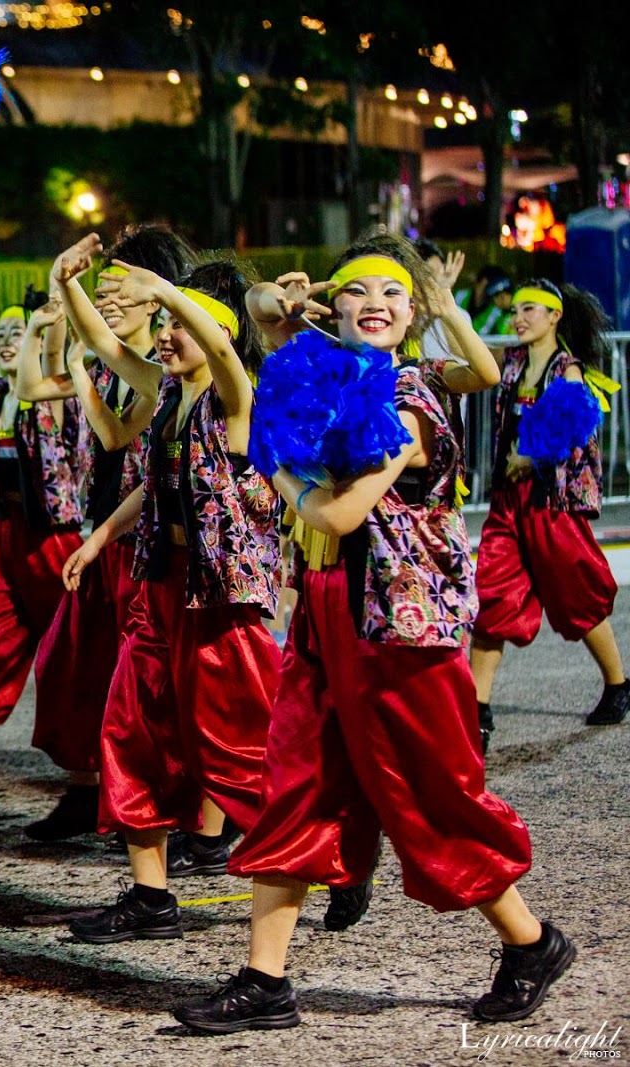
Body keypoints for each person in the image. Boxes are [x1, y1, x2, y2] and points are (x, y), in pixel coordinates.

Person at [175, 236, 572, 1034]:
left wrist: (268, 455)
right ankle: (265, 980)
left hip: (400, 631)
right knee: (296, 783)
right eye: (357, 292)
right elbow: (258, 318)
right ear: (337, 306)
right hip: (329, 612)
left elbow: (336, 512)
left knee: (431, 793)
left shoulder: (410, 403)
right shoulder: (334, 369)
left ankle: (531, 941)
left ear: (413, 313)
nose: (375, 303)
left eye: (391, 292)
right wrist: (279, 303)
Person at [59, 260, 281, 944]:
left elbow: (224, 352)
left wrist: (166, 293)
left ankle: (326, 844)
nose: (165, 337)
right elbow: (107, 348)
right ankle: (150, 896)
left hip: (218, 597)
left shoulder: (236, 398)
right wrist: (67, 285)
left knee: (243, 745)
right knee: (128, 728)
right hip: (160, 583)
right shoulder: (167, 394)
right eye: (163, 327)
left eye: (177, 326)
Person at [22, 225, 192, 843]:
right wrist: (60, 289)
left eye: (120, 290)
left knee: (141, 685)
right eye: (105, 289)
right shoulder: (116, 361)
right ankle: (88, 789)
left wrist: (80, 374)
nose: (109, 300)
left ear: (159, 299)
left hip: (145, 547)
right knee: (71, 667)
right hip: (107, 536)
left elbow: (117, 435)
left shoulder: (165, 371)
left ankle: (173, 814)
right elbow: (42, 378)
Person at [470, 279, 630, 734]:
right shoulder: (512, 363)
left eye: (529, 310)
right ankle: (477, 710)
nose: (518, 318)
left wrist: (530, 456)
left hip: (551, 505)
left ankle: (618, 684)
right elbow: (470, 365)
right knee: (492, 594)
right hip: (508, 502)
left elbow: (571, 434)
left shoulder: (569, 371)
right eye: (516, 310)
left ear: (554, 316)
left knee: (577, 596)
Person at [0, 288, 86, 734]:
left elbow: (52, 355)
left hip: (52, 540)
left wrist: (55, 306)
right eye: (3, 333)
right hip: (1, 534)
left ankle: (84, 769)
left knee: (67, 652)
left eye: (18, 330)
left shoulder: (52, 392)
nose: (8, 340)